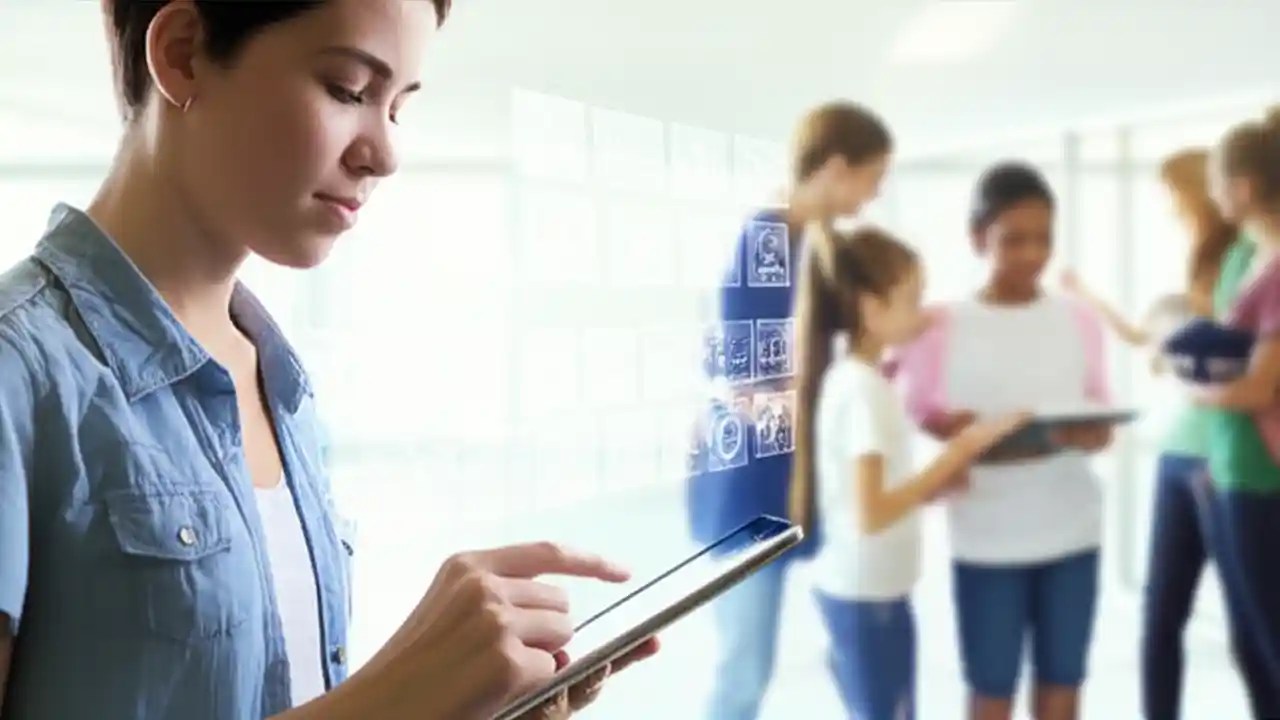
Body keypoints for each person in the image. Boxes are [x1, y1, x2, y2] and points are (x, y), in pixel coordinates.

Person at [0, 2, 656, 719]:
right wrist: (391, 701)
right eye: (348, 90)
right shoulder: (18, 375)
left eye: (398, 107)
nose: (385, 151)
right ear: (184, 54)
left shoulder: (281, 385)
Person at [684, 101, 892, 720]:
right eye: (871, 177)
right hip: (750, 488)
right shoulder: (769, 243)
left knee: (764, 663)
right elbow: (746, 377)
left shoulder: (812, 246)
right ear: (835, 167)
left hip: (786, 480)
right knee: (742, 672)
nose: (873, 194)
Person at [895, 162, 1115, 720]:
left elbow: (1099, 408)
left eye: (1043, 239)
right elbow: (914, 409)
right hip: (987, 539)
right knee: (991, 692)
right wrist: (952, 430)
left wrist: (1094, 433)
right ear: (977, 238)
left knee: (1064, 685)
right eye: (1012, 240)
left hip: (1072, 528)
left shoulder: (1079, 319)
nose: (1031, 254)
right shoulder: (941, 323)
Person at [790, 224, 1028, 719]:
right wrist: (958, 452)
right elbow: (872, 513)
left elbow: (876, 495)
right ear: (872, 310)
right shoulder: (862, 392)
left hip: (872, 592)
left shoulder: (861, 382)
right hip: (865, 597)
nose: (922, 312)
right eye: (912, 299)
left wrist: (939, 479)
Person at [1060, 148, 1241, 719]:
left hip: (1229, 459)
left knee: (1250, 619)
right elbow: (1146, 339)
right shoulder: (1197, 272)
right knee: (1161, 612)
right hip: (1178, 455)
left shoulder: (1247, 264)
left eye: (1175, 198)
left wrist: (1190, 362)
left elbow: (1244, 366)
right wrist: (1086, 296)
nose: (1171, 211)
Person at [1193, 106, 1280, 716]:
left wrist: (1196, 388)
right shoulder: (1247, 260)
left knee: (1271, 640)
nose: (1212, 194)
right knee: (1250, 640)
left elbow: (1258, 389)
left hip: (1263, 476)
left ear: (1243, 187)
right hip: (1234, 470)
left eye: (1217, 181)